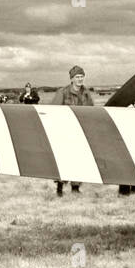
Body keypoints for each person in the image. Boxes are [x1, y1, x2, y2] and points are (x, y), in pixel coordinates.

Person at [52, 66, 92, 196]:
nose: (80, 79)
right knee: (63, 159)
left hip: (81, 131)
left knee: (79, 159)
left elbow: (92, 110)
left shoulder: (86, 93)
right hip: (65, 131)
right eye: (77, 77)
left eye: (81, 76)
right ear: (72, 79)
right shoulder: (62, 92)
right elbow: (54, 111)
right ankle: (59, 187)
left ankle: (75, 187)